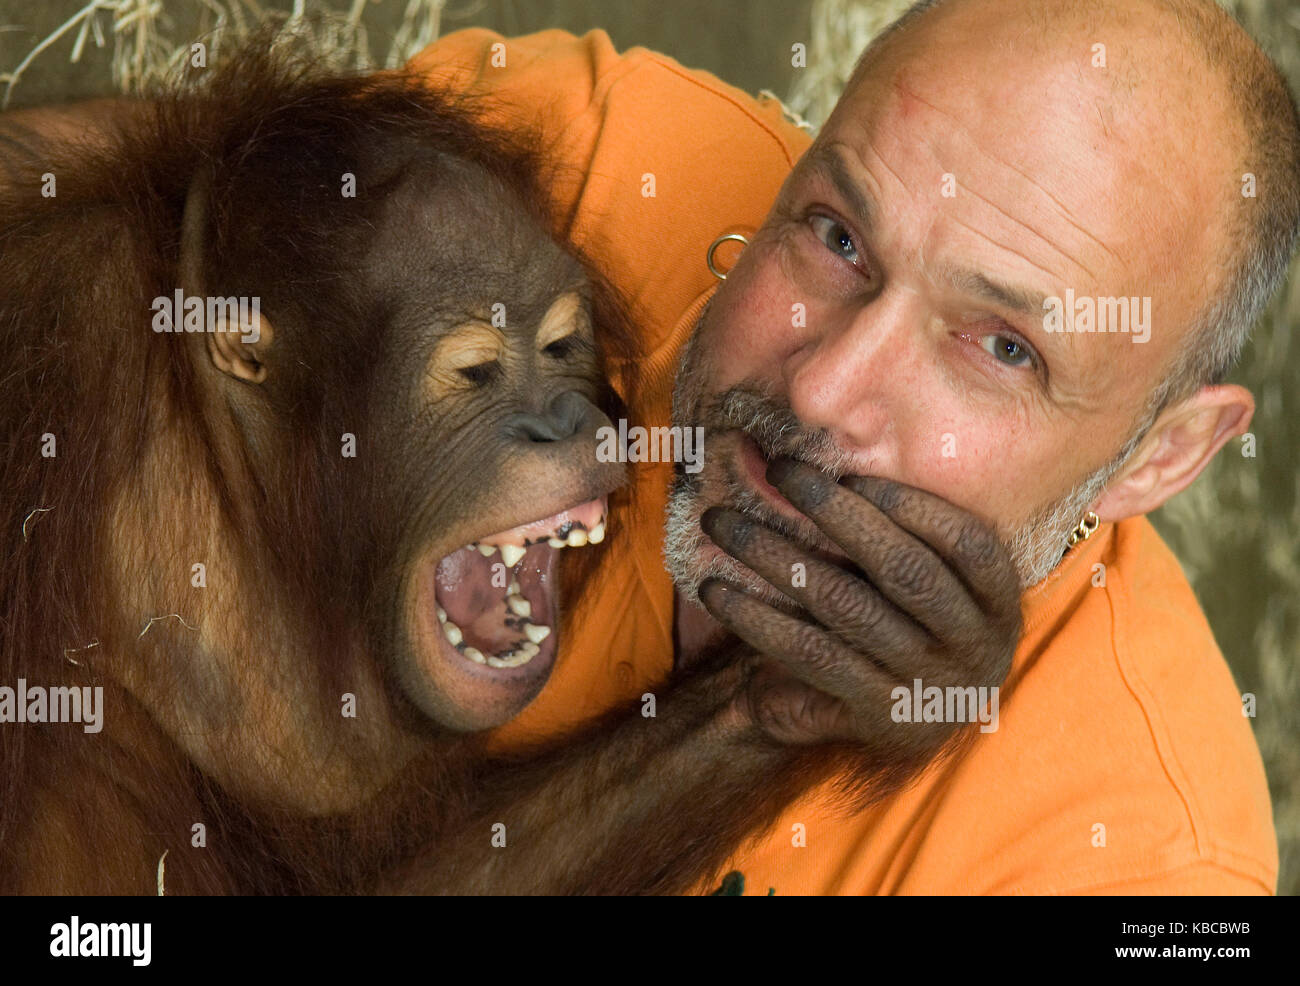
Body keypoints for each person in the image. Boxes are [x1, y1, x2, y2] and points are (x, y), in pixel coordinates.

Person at [407, 0, 1298, 893]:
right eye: (838, 236)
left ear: (1162, 457)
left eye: (1003, 348)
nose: (819, 390)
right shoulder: (568, 160)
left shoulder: (1142, 865)